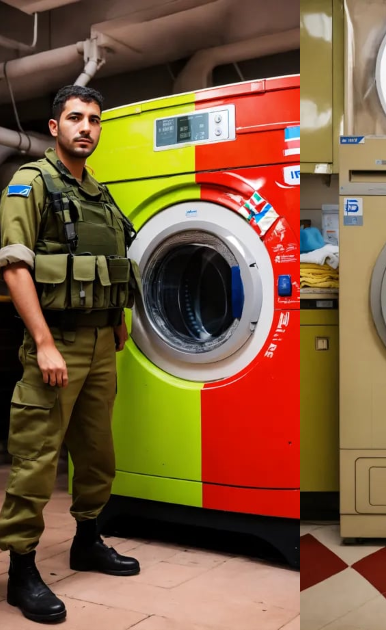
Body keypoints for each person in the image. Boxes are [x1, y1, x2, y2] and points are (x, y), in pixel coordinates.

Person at [0, 85, 141, 624]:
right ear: (54, 126)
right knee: (37, 458)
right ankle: (21, 570)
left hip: (102, 342)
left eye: (95, 120)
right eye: (76, 117)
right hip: (56, 343)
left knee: (96, 450)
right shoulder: (30, 183)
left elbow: (109, 266)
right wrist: (43, 343)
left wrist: (118, 321)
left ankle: (87, 538)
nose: (87, 127)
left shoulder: (100, 195)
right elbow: (15, 266)